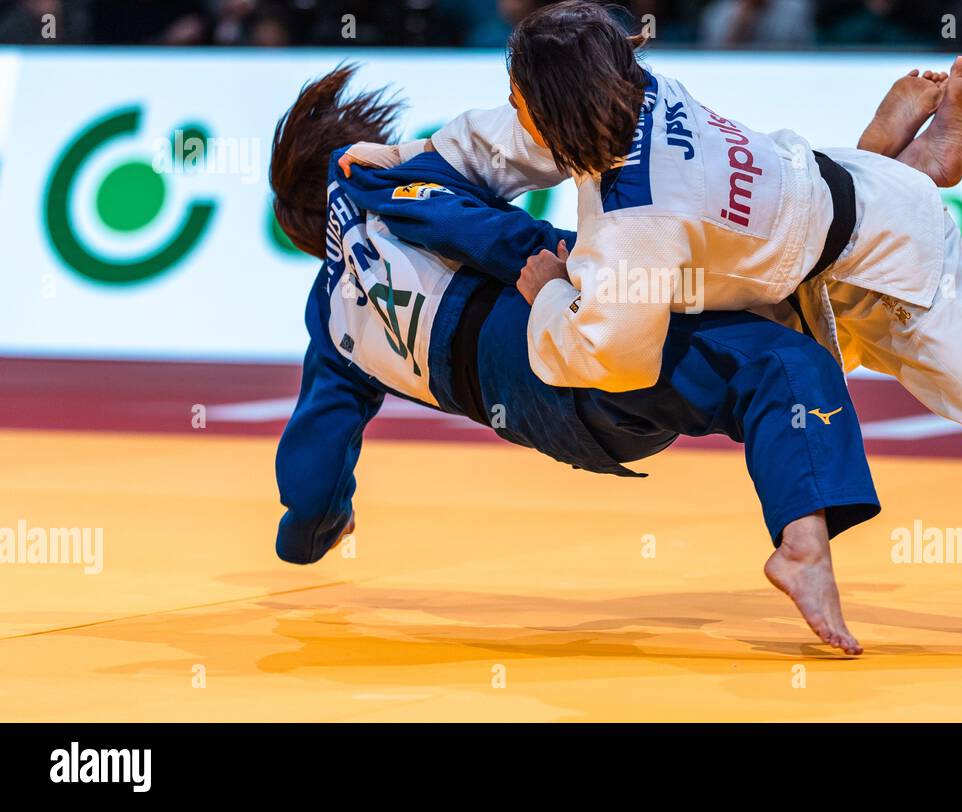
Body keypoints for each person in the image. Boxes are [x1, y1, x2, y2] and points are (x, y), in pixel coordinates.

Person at [376, 0, 962, 661]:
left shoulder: (632, 217)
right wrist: (413, 161)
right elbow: (520, 134)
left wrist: (551, 290)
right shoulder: (643, 89)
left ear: (556, 102)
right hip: (810, 221)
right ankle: (906, 165)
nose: (518, 107)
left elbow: (614, 356)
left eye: (523, 92)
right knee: (785, 326)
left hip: (896, 278)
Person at [271, 66, 882, 654]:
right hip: (564, 344)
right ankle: (878, 183)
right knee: (782, 355)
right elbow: (461, 222)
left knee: (764, 342)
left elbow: (314, 461)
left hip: (578, 430)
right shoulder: (367, 179)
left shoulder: (328, 321)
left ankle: (879, 178)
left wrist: (312, 529)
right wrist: (556, 261)